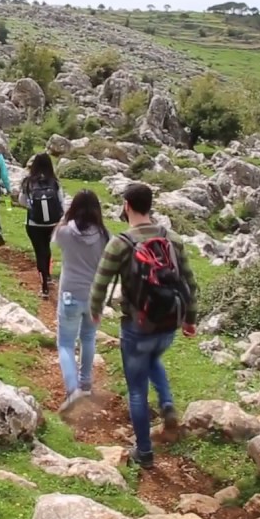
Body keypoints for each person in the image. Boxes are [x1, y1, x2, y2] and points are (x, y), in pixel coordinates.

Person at [87, 183, 198, 470]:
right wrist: (190, 320)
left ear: (126, 205)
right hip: (168, 324)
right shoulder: (171, 238)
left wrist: (95, 311)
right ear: (150, 205)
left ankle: (144, 452)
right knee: (153, 358)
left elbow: (100, 282)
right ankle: (168, 404)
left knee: (136, 390)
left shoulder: (121, 243)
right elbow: (189, 282)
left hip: (137, 326)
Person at [52, 190, 110, 412]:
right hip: (95, 296)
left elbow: (56, 239)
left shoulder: (65, 232)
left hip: (70, 295)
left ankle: (72, 388)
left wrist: (66, 217)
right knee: (88, 337)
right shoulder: (106, 235)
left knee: (66, 343)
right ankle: (86, 384)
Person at [20, 153, 65, 298]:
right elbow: (61, 202)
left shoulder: (28, 182)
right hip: (52, 223)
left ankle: (44, 284)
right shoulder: (55, 182)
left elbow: (22, 201)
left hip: (34, 223)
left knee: (39, 251)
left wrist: (31, 205)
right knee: (46, 248)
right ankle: (48, 275)